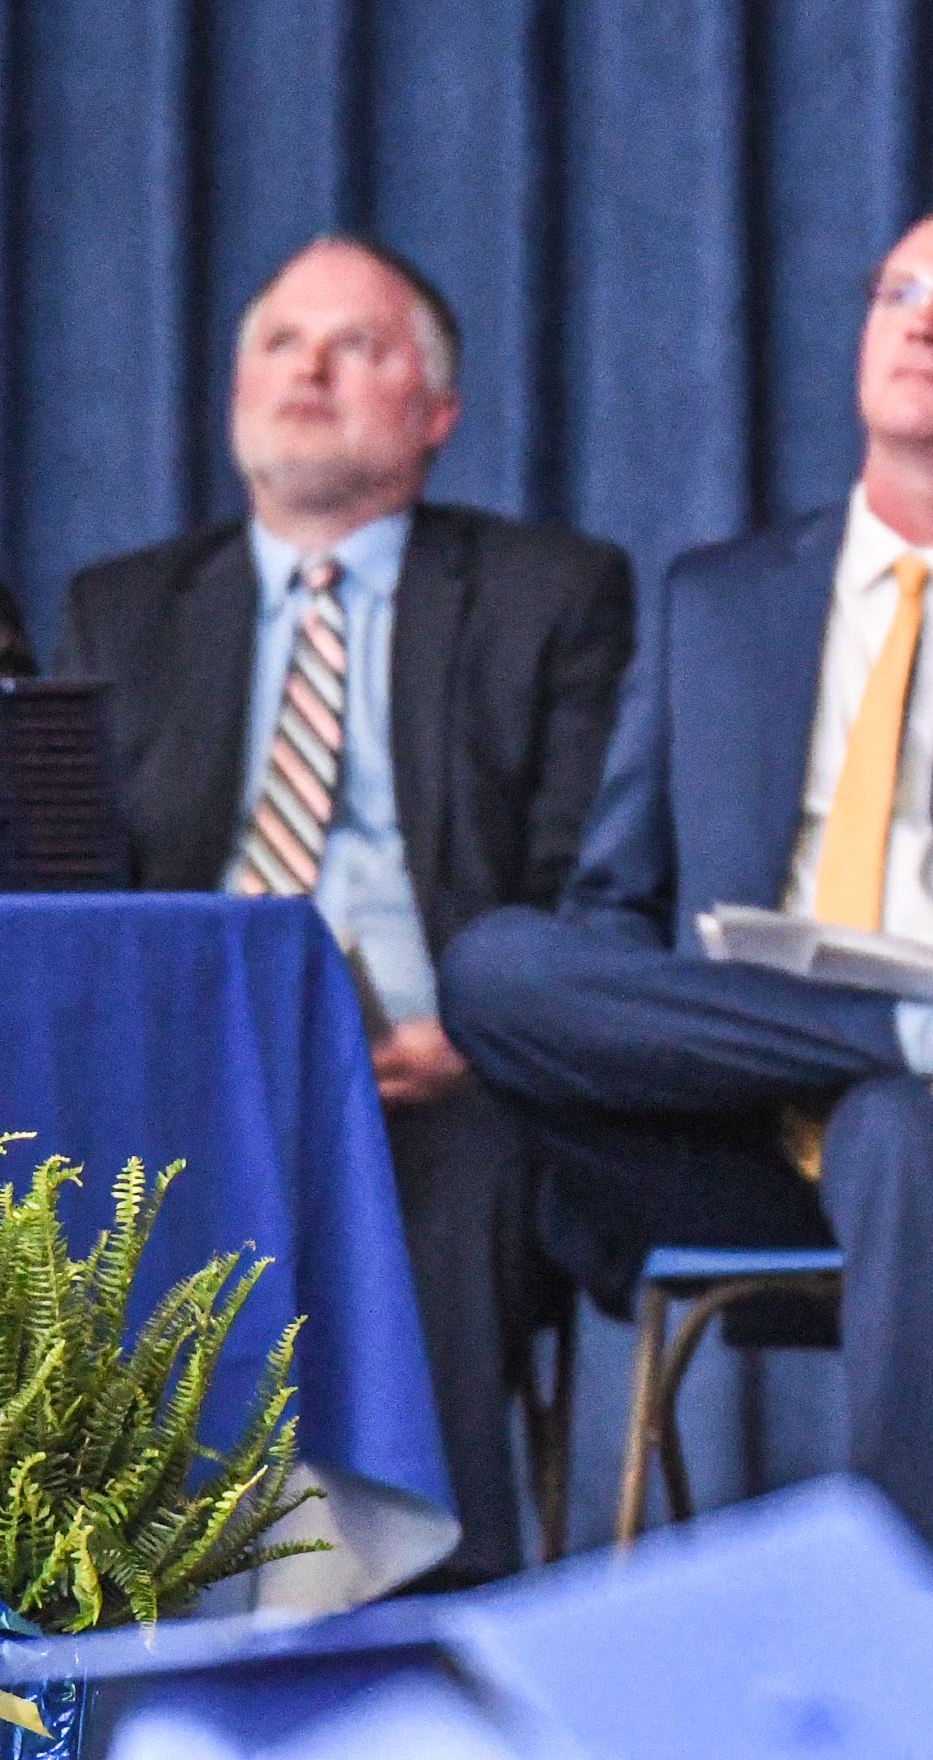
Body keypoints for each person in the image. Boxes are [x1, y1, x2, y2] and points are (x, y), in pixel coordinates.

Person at [438, 202, 933, 1584]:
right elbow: (616, 902)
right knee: (497, 966)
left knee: (904, 1134)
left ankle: (899, 1669)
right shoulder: (718, 597)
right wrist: (629, 1016)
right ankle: (928, 1033)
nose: (924, 320)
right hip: (717, 1116)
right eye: (899, 291)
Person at [52, 236, 636, 1586]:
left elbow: (588, 882)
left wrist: (478, 1036)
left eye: (356, 346)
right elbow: (77, 889)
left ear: (438, 412)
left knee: (424, 1166)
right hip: (177, 1090)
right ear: (233, 400)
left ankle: (416, 1636)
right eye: (279, 342)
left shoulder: (550, 595)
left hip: (449, 1082)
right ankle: (99, 1621)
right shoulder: (126, 608)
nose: (308, 367)